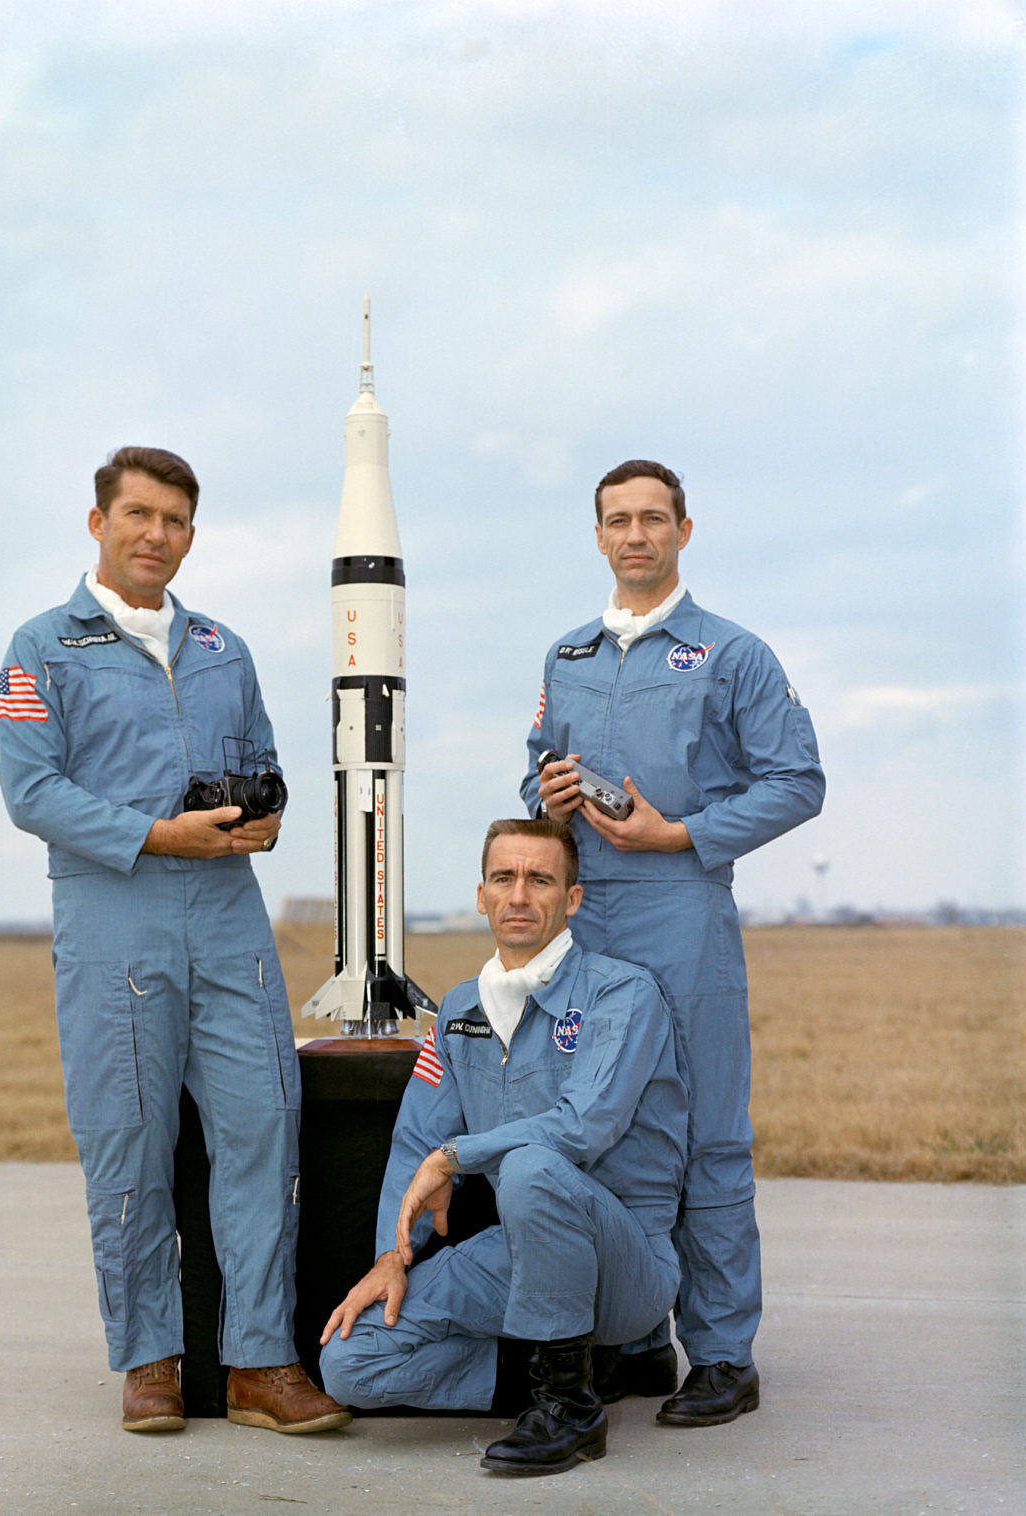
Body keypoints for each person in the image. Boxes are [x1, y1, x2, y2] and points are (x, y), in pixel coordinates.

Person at [0, 446, 349, 1436]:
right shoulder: (41, 648)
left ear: (193, 533)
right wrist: (156, 834)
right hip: (116, 924)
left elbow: (264, 764)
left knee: (263, 1131)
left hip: (229, 919)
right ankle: (150, 1358)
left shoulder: (223, 647)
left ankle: (262, 1362)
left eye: (177, 520)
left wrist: (262, 816)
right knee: (131, 1147)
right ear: (99, 520)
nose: (158, 534)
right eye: (140, 514)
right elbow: (32, 791)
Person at [522, 459, 825, 1427]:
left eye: (654, 519)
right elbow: (534, 775)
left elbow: (797, 780)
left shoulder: (733, 655)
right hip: (585, 921)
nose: (636, 535)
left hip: (680, 905)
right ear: (599, 535)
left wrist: (680, 834)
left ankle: (726, 1354)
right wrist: (549, 798)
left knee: (705, 1139)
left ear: (684, 531)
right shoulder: (565, 657)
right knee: (601, 1130)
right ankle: (636, 1337)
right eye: (619, 520)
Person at [319, 817, 688, 1478]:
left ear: (571, 898)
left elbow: (583, 1126)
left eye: (540, 879)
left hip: (622, 1265)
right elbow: (416, 1143)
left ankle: (571, 1413)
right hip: (516, 1254)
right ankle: (566, 1370)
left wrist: (454, 1158)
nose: (519, 895)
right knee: (351, 1361)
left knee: (530, 1166)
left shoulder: (622, 995)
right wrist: (390, 1255)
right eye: (504, 878)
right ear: (483, 895)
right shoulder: (459, 1011)